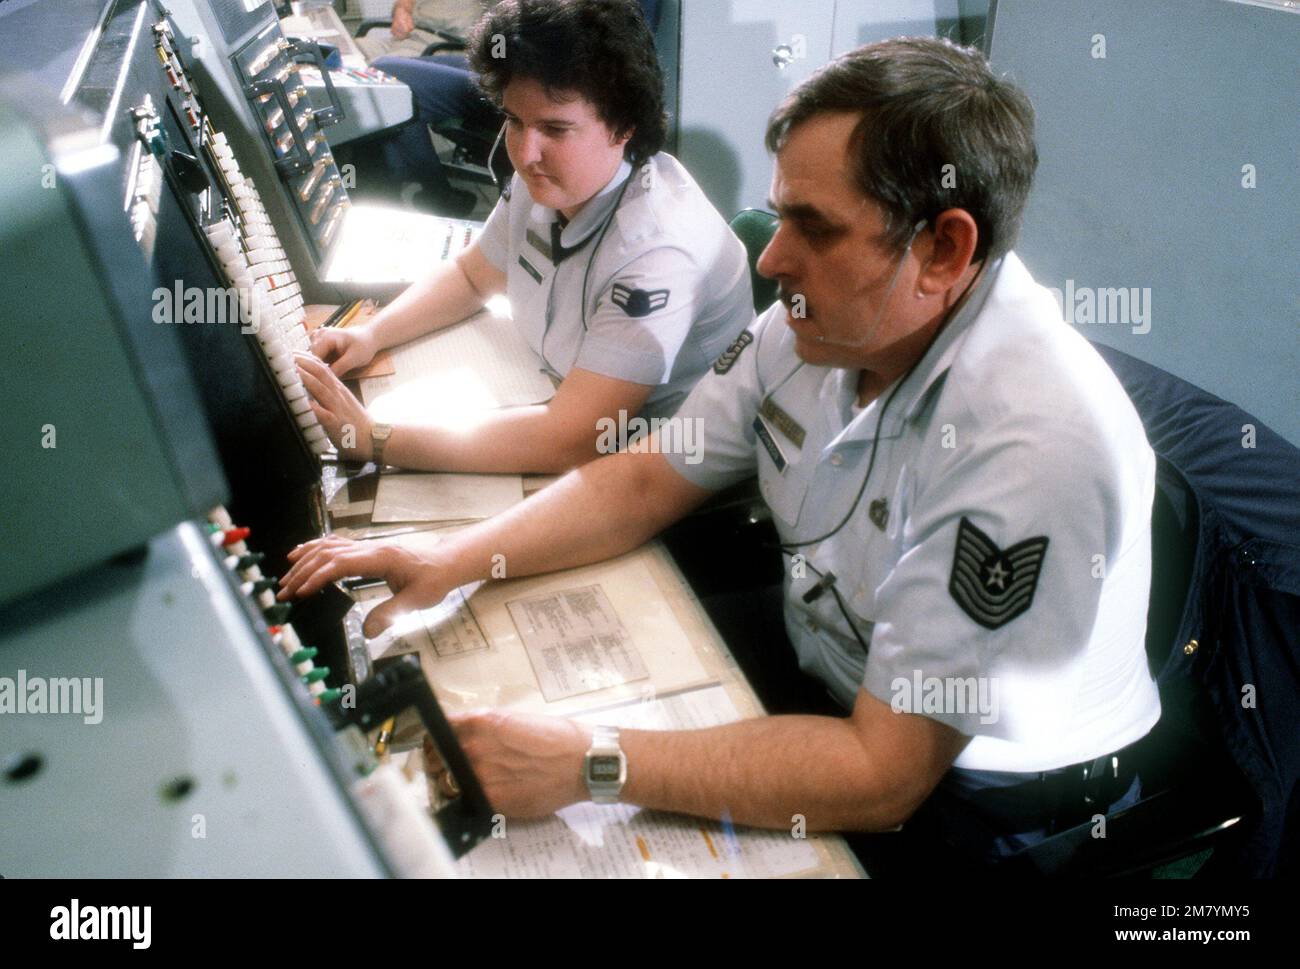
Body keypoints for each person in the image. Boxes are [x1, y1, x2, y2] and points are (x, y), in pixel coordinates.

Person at [281, 36, 1162, 869]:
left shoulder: (1029, 449)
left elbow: (885, 777)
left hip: (982, 789)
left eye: (814, 229)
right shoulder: (812, 325)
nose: (772, 260)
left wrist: (594, 763)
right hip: (829, 661)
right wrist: (454, 556)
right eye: (780, 216)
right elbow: (644, 477)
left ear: (943, 248)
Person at [299, 0, 751, 476]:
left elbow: (573, 440)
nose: (526, 152)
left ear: (624, 127)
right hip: (560, 399)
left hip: (660, 464)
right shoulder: (555, 180)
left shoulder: (659, 248)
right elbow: (473, 276)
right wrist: (370, 334)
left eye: (555, 128)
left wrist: (375, 439)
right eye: (515, 121)